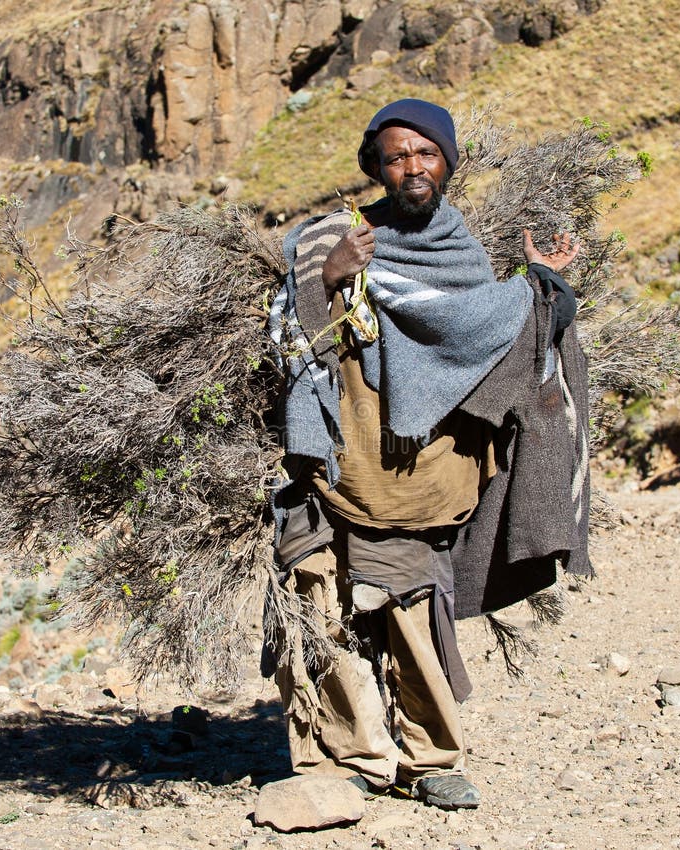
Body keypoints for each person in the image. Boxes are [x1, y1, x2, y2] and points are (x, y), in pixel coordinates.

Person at [266, 99, 591, 810]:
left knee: (410, 606)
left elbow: (510, 342)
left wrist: (547, 286)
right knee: (317, 605)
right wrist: (330, 277)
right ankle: (343, 758)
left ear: (446, 161)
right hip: (333, 461)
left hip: (421, 474)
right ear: (376, 168)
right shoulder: (337, 237)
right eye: (395, 156)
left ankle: (430, 757)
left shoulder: (465, 257)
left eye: (424, 152)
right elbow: (288, 342)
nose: (411, 166)